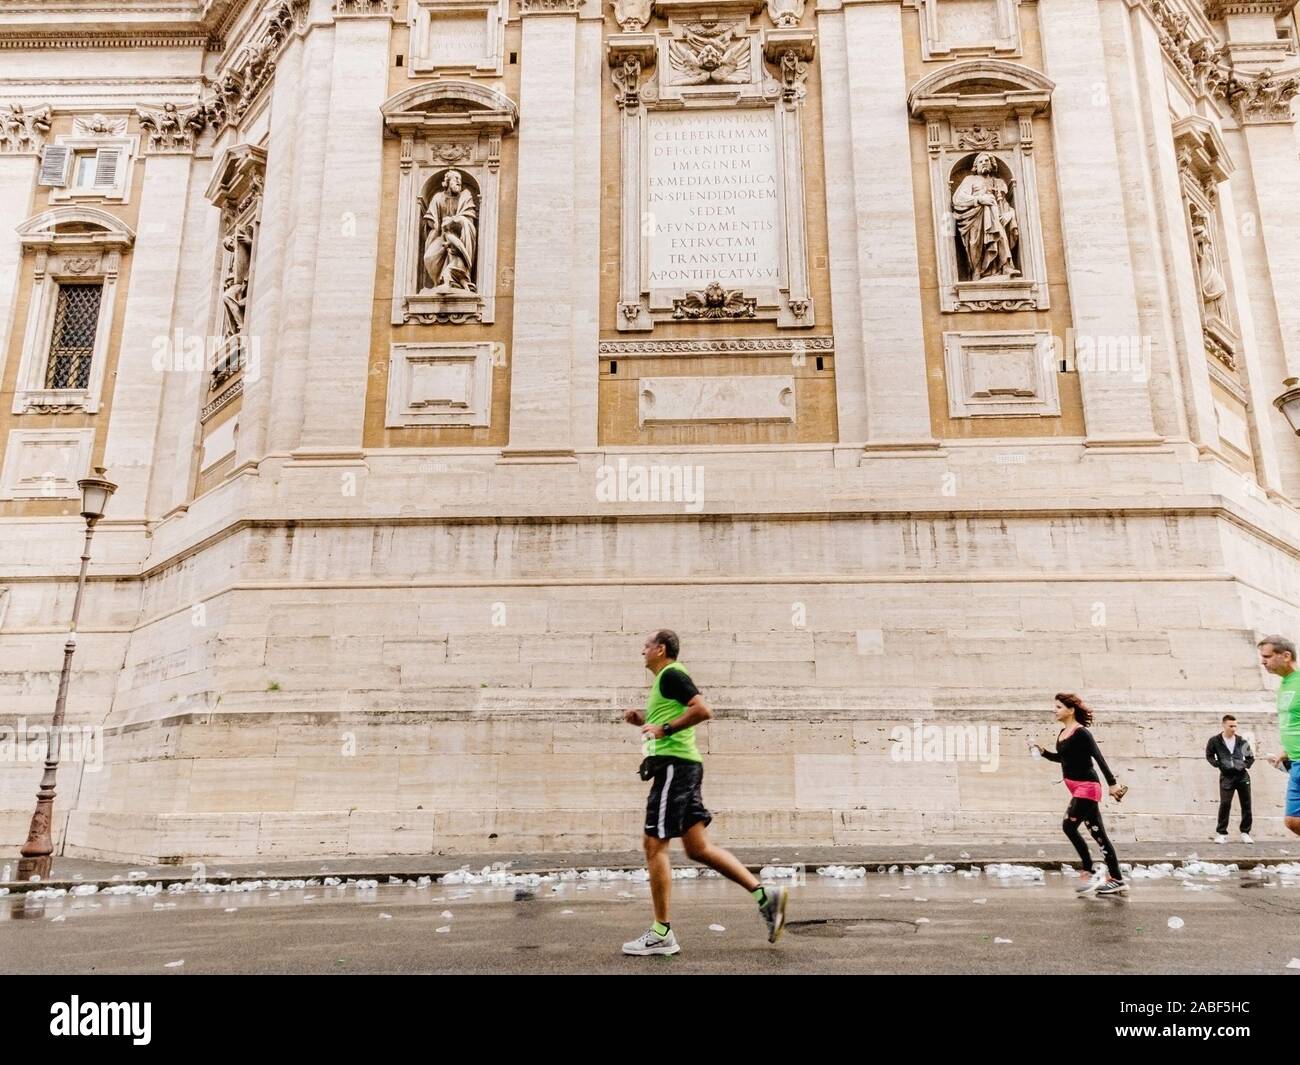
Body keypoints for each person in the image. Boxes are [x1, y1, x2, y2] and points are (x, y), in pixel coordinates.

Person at [620, 629, 788, 955]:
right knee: (697, 849)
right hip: (685, 768)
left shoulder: (672, 674)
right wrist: (641, 718)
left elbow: (702, 710)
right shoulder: (663, 683)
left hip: (674, 768)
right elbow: (666, 716)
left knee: (653, 844)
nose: (642, 651)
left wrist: (664, 729)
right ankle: (765, 897)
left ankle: (661, 932)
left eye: (646, 646)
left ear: (661, 649)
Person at [1029, 692, 1128, 896]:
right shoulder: (1063, 733)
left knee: (1068, 825)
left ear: (1071, 709)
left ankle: (1089, 870)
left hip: (1088, 787)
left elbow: (1098, 757)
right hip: (1077, 787)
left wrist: (1112, 784)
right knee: (1098, 834)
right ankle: (1117, 879)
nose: (1054, 710)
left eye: (1058, 707)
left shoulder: (1081, 733)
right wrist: (1044, 752)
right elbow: (1064, 759)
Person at [1257, 635, 1300, 838]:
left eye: (1267, 656)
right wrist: (1285, 752)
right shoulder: (1284, 685)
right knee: (1293, 821)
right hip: (1294, 762)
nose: (1262, 661)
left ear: (1286, 655)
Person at [1205, 714, 1253, 844]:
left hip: (1242, 776)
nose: (1233, 729)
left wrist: (1244, 765)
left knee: (1246, 804)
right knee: (1225, 804)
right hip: (1226, 777)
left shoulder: (1241, 741)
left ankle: (1245, 832)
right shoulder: (1215, 741)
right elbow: (1209, 755)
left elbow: (1250, 757)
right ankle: (1221, 833)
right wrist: (1218, 764)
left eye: (1235, 726)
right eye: (1231, 726)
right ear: (1224, 725)